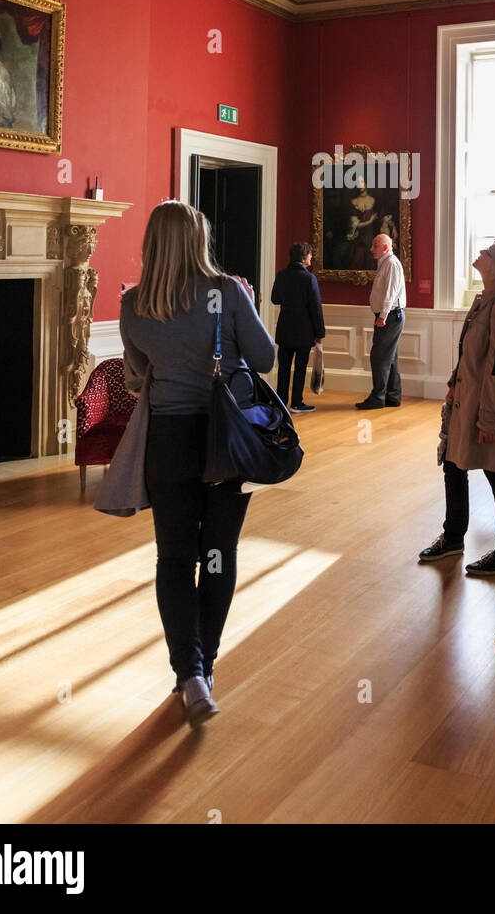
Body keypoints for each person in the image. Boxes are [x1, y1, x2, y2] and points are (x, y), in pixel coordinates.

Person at [119, 200, 276, 722]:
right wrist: (249, 305)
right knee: (217, 554)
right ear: (197, 240)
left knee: (173, 557)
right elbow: (265, 359)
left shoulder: (134, 303)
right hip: (223, 441)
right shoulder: (226, 292)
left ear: (151, 243)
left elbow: (138, 374)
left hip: (168, 439)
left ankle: (187, 672)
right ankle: (204, 670)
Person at [419, 240, 495, 576]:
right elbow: (469, 353)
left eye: (488, 252)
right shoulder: (483, 300)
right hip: (465, 400)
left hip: (487, 404)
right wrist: (453, 384)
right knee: (453, 464)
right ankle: (453, 537)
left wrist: (490, 418)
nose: (481, 253)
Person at [270, 241, 325, 414]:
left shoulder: (282, 275)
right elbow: (316, 308)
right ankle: (296, 403)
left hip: (285, 328)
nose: (311, 257)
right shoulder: (309, 278)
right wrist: (320, 333)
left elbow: (275, 299)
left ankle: (280, 401)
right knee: (300, 368)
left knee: (284, 368)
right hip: (303, 330)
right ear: (304, 257)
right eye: (309, 255)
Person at [355, 232, 406, 410]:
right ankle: (392, 396)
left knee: (379, 357)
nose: (371, 248)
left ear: (385, 247)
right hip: (390, 316)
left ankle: (378, 397)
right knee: (389, 357)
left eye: (375, 245)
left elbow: (390, 293)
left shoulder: (391, 264)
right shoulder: (385, 263)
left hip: (390, 316)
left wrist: (383, 316)